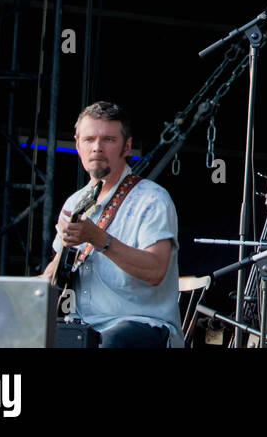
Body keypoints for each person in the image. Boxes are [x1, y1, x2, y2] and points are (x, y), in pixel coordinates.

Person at [40, 101, 182, 347]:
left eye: (108, 140)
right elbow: (56, 272)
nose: (97, 148)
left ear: (126, 146)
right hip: (80, 327)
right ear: (77, 144)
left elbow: (155, 271)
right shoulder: (74, 203)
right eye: (89, 139)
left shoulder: (152, 199)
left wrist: (98, 238)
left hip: (141, 325)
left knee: (112, 341)